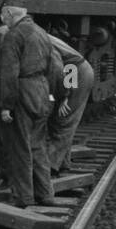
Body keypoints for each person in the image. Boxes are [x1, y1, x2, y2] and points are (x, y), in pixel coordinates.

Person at [0, 0, 59, 208]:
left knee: (19, 148)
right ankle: (46, 194)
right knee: (38, 145)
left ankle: (23, 197)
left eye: (3, 16)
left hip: (22, 93)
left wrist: (6, 105)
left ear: (9, 14)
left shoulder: (14, 35)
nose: (2, 20)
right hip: (40, 90)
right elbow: (53, 66)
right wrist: (49, 94)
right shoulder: (41, 32)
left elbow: (9, 73)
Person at [45, 31, 94, 174]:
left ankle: (49, 168)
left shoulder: (37, 40)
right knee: (57, 121)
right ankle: (63, 164)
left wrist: (64, 95)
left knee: (63, 122)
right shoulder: (34, 35)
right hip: (70, 73)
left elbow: (57, 69)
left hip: (74, 74)